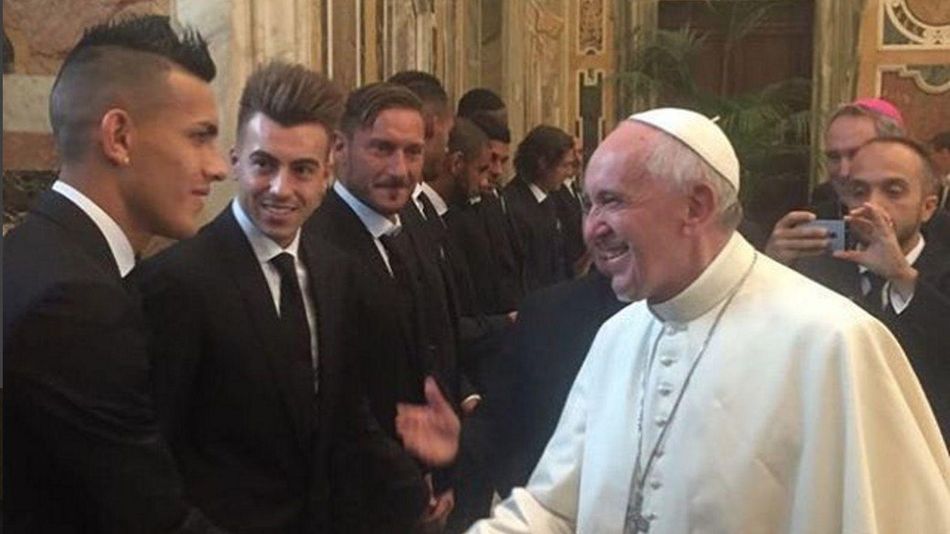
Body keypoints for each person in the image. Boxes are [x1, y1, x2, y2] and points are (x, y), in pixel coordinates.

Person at [469, 108, 950, 533]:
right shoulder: (619, 335)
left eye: (613, 201)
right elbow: (555, 509)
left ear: (695, 206)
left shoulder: (832, 341)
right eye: (589, 203)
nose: (592, 228)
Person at [134, 62, 458, 533]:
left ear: (327, 171)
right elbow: (154, 455)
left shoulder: (337, 274)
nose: (281, 189)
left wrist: (415, 484)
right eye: (265, 164)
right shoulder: (177, 281)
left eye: (302, 169)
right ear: (235, 161)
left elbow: (345, 422)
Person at [3, 15, 229, 533]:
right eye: (199, 137)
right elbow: (152, 519)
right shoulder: (75, 301)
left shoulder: (43, 249)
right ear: (120, 136)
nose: (218, 167)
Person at [304, 81, 459, 528]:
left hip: (427, 478)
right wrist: (410, 485)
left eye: (412, 152)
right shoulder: (315, 244)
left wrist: (442, 473)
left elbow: (437, 342)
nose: (400, 169)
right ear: (340, 147)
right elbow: (336, 400)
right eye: (382, 149)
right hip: (356, 503)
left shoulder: (411, 222)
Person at [797, 136, 950, 440]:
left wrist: (903, 277)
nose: (873, 205)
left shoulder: (943, 270)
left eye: (894, 191)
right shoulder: (816, 272)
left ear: (928, 207)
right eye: (859, 191)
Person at [503, 125, 576, 293]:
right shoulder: (515, 205)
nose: (569, 173)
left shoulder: (550, 200)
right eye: (564, 166)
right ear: (543, 163)